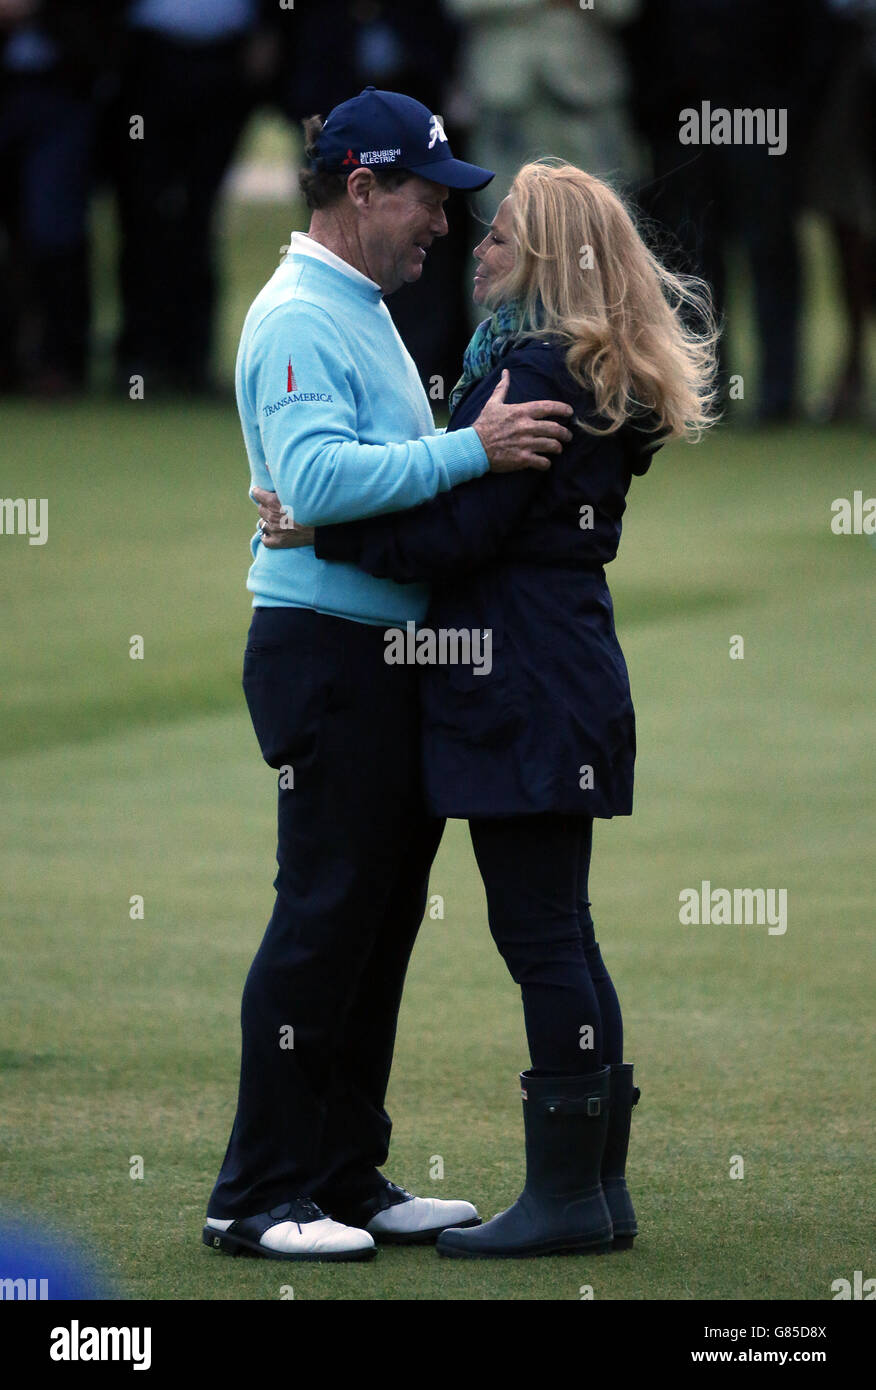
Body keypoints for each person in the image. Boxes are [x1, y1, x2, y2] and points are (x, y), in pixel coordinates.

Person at [258, 158, 718, 1258]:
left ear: (551, 255)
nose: (482, 246)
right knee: (562, 928)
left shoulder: (536, 369)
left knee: (543, 933)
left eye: (504, 234)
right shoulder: (567, 363)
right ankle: (592, 1191)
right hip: (558, 677)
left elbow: (462, 534)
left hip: (525, 687)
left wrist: (320, 528)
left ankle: (570, 1196)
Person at [204, 89, 575, 1264]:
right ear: (361, 188)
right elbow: (313, 483)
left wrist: (432, 469)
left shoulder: (360, 306)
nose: (442, 223)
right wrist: (473, 447)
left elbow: (335, 485)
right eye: (425, 196)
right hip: (327, 651)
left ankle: (344, 1175)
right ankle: (256, 1194)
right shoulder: (299, 315)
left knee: (374, 925)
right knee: (322, 920)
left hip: (387, 651)